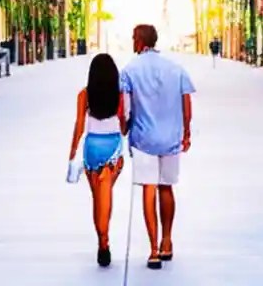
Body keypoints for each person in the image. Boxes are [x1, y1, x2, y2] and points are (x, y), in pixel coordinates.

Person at [120, 24, 194, 270]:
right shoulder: (176, 69)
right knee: (166, 188)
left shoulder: (130, 70)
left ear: (140, 41)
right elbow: (186, 102)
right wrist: (186, 132)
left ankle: (152, 250)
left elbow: (126, 108)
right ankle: (167, 241)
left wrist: (125, 127)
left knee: (148, 189)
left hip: (143, 139)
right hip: (171, 138)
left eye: (133, 38)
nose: (132, 41)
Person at [68, 53, 128, 268]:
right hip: (112, 148)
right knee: (106, 194)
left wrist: (72, 151)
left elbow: (79, 125)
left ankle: (103, 241)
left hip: (91, 148)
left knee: (97, 198)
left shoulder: (84, 95)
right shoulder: (120, 96)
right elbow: (123, 126)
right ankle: (104, 239)